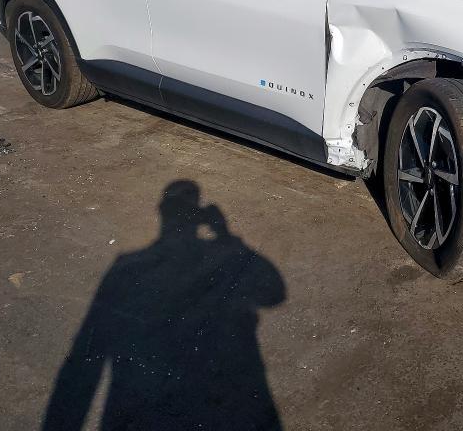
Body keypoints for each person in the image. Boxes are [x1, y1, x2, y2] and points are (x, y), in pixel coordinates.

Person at [42, 180, 286, 430]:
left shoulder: (127, 267)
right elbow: (274, 293)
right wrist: (224, 233)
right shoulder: (136, 266)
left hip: (144, 399)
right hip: (217, 393)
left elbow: (83, 358)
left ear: (161, 212)